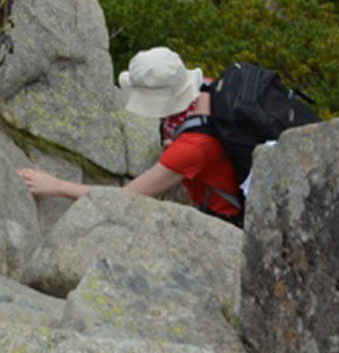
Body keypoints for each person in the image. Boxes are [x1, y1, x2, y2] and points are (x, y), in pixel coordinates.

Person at [18, 46, 243, 223]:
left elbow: (124, 197)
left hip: (227, 219)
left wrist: (55, 185)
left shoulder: (193, 147)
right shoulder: (209, 88)